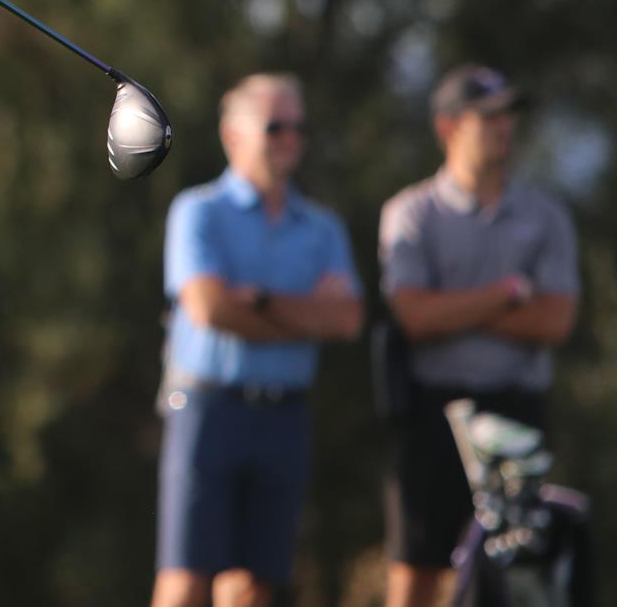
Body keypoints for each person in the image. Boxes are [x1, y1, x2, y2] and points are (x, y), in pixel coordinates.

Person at [152, 73, 363, 607]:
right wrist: (305, 312)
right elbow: (209, 308)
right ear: (233, 135)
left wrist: (262, 302)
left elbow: (347, 320)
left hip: (284, 418)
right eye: (275, 127)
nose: (290, 138)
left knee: (253, 585)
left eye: (299, 127)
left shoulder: (322, 227)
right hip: (208, 409)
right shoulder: (197, 211)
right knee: (185, 579)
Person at [379, 65, 579, 607]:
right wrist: (506, 296)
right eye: (487, 117)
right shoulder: (412, 212)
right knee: (417, 570)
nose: (503, 127)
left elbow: (555, 321)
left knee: (520, 571)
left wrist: (456, 308)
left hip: (518, 416)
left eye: (507, 116)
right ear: (448, 127)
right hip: (434, 416)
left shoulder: (546, 215)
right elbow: (415, 318)